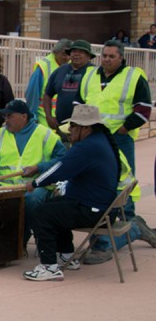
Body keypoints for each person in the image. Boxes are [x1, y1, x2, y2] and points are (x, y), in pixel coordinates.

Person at [77, 40, 155, 264]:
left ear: (121, 57)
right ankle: (122, 227)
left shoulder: (133, 76)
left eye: (112, 56)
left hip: (119, 139)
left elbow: (143, 108)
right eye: (104, 56)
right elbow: (81, 102)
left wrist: (123, 128)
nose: (107, 60)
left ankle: (129, 222)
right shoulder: (91, 75)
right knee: (98, 183)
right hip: (94, 137)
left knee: (122, 181)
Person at [24, 105, 119, 281]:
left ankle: (49, 267)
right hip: (100, 207)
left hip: (93, 210)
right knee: (53, 205)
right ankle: (67, 255)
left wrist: (35, 183)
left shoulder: (87, 147)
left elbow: (60, 169)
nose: (70, 129)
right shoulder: (99, 140)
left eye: (73, 125)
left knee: (40, 213)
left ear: (86, 128)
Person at [0, 99, 65, 245]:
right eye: (5, 116)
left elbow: (63, 160)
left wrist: (39, 167)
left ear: (24, 117)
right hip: (5, 186)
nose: (5, 120)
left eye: (10, 116)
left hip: (36, 187)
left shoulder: (46, 134)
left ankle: (21, 243)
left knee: (30, 201)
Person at [40, 39, 94, 134]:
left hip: (84, 129)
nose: (76, 54)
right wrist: (48, 117)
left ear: (88, 56)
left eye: (81, 52)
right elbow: (47, 95)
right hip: (61, 127)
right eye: (73, 51)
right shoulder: (60, 71)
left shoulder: (94, 73)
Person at [24, 39, 71, 125]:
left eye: (69, 54)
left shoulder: (72, 66)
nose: (67, 57)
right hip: (44, 118)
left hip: (66, 119)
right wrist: (32, 116)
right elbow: (32, 94)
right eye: (64, 54)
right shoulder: (44, 66)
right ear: (56, 52)